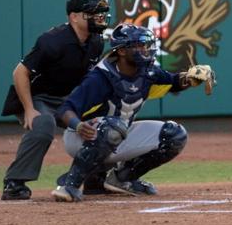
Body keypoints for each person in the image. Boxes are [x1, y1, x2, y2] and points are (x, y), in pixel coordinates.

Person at [50, 24, 216, 202]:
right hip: (82, 136)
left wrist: (192, 77)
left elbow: (174, 81)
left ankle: (121, 179)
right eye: (138, 45)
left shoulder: (147, 70)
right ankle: (70, 185)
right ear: (121, 51)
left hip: (118, 132)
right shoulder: (101, 77)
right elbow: (65, 109)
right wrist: (79, 125)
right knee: (114, 127)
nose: (145, 49)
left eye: (146, 45)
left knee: (174, 135)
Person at [0, 0, 110, 201]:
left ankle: (91, 178)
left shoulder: (96, 41)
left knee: (106, 125)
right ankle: (14, 183)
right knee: (43, 124)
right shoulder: (53, 41)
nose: (100, 18)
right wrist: (30, 109)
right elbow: (19, 72)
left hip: (67, 99)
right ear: (74, 17)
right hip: (38, 97)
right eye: (93, 13)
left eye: (102, 13)